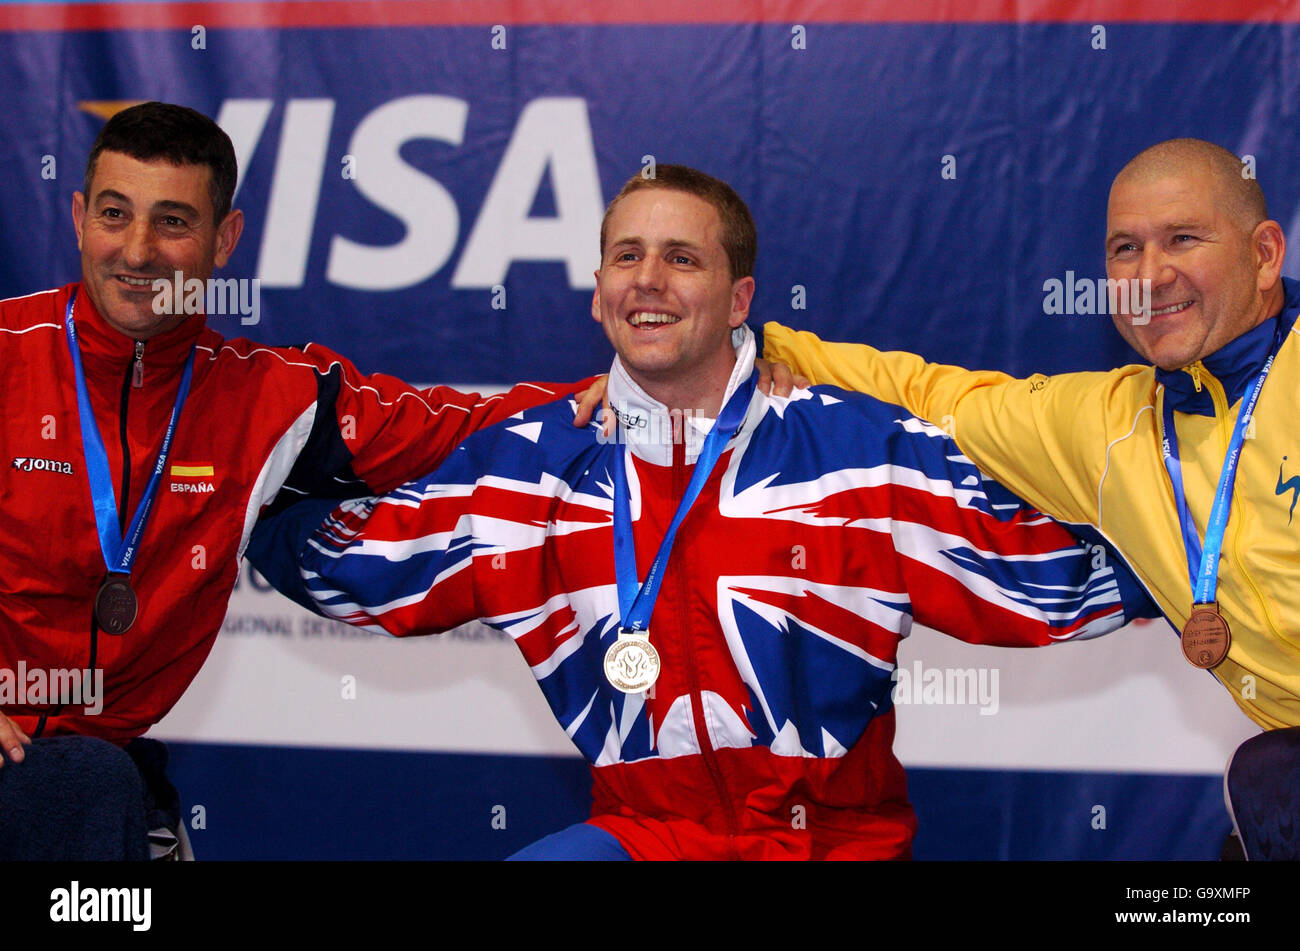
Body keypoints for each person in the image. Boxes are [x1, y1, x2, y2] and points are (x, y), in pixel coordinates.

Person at [251, 165, 1152, 860]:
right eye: (627, 256)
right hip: (644, 841)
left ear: (741, 298)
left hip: (835, 846)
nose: (650, 282)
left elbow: (1043, 581)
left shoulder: (855, 452)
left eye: (683, 258)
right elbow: (353, 565)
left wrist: (1205, 563)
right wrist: (237, 501)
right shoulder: (529, 474)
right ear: (599, 287)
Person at [0, 101, 583, 859]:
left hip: (96, 783)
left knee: (96, 788)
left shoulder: (267, 400)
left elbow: (457, 424)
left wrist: (652, 395)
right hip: (60, 780)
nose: (137, 251)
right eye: (115, 214)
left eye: (173, 222)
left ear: (224, 240)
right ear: (79, 217)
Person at [762, 137, 1300, 859]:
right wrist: (732, 355)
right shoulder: (1105, 426)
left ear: (1266, 253)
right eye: (1124, 249)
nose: (1151, 274)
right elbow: (929, 396)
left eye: (1182, 239)